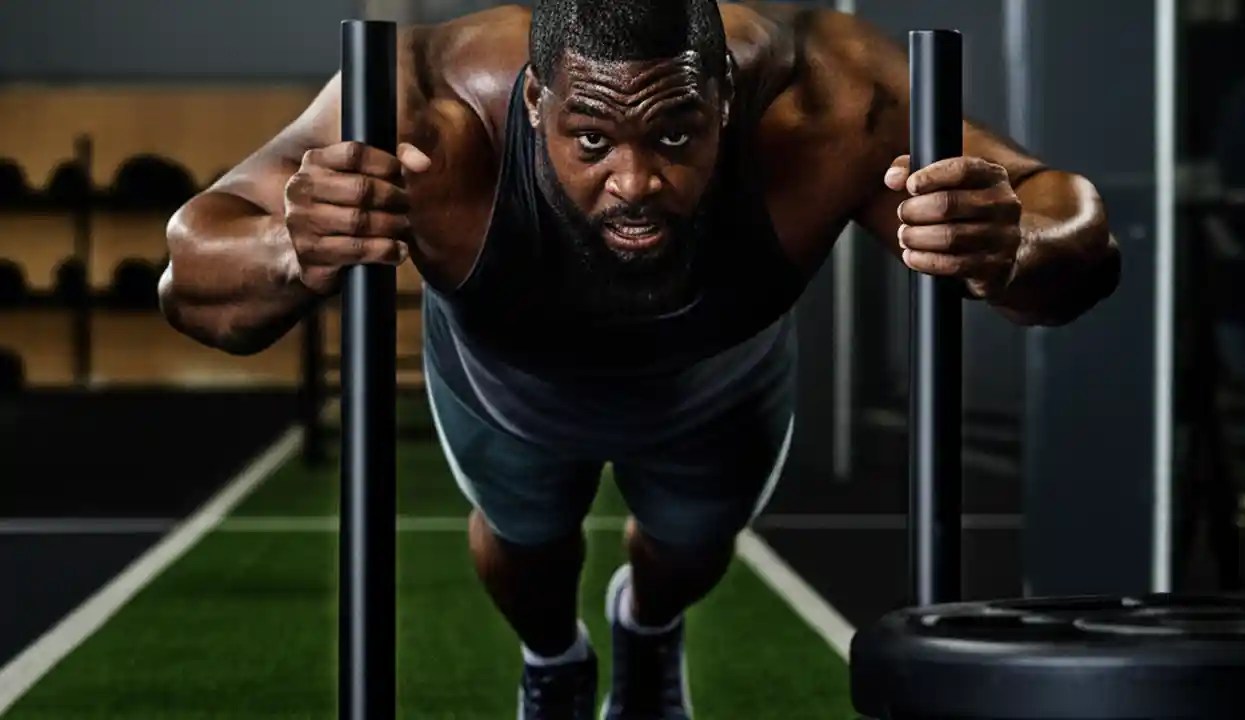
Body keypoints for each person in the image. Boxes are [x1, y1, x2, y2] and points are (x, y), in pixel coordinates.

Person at [158, 2, 1120, 717]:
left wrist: (1011, 245)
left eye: (674, 133)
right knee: (525, 545)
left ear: (726, 99)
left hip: (722, 380)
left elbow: (1071, 228)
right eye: (590, 138)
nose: (635, 181)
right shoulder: (424, 109)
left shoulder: (830, 101)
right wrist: (293, 248)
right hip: (509, 388)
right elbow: (192, 270)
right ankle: (554, 662)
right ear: (536, 100)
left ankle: (649, 631)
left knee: (689, 552)